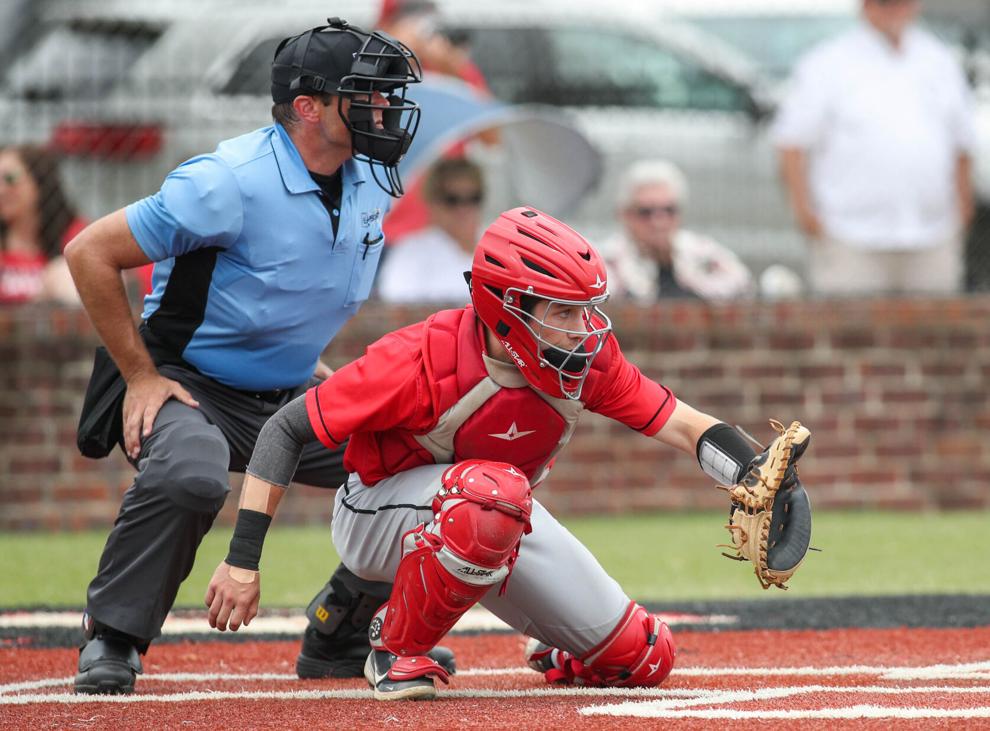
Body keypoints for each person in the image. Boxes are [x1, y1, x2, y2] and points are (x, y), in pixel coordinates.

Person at [205, 206, 807, 701]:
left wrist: (751, 469)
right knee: (490, 494)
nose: (583, 328)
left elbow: (680, 424)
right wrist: (242, 560)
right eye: (562, 311)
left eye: (585, 309)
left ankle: (552, 642)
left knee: (644, 657)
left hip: (491, 517)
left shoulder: (585, 358)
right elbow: (285, 429)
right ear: (505, 307)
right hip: (376, 513)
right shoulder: (422, 357)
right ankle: (396, 648)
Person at [64, 18, 424, 695]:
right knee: (193, 475)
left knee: (416, 452)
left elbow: (300, 279)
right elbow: (89, 251)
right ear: (310, 108)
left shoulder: (371, 175)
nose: (384, 108)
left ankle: (339, 627)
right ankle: (114, 634)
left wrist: (309, 362)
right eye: (368, 93)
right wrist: (140, 375)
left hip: (287, 392)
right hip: (186, 381)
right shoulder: (226, 180)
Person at [772, 0, 975, 296]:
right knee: (851, 335)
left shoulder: (940, 61)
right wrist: (807, 215)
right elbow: (791, 143)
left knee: (931, 335)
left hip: (932, 234)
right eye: (884, 3)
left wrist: (962, 208)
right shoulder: (828, 63)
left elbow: (962, 143)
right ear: (865, 6)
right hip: (851, 237)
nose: (894, 9)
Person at [602, 160, 754, 301]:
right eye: (646, 212)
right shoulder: (606, 259)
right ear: (624, 215)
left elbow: (743, 284)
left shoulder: (701, 251)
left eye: (669, 210)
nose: (659, 222)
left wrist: (690, 284)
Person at [378, 157, 484, 302]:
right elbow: (397, 304)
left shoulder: (498, 244)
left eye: (473, 198)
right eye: (452, 200)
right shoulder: (411, 251)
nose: (464, 208)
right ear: (432, 202)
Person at [0, 144, 85, 305]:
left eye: (10, 179)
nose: (1, 190)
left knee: (63, 273)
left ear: (39, 181)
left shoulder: (74, 234)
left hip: (62, 328)